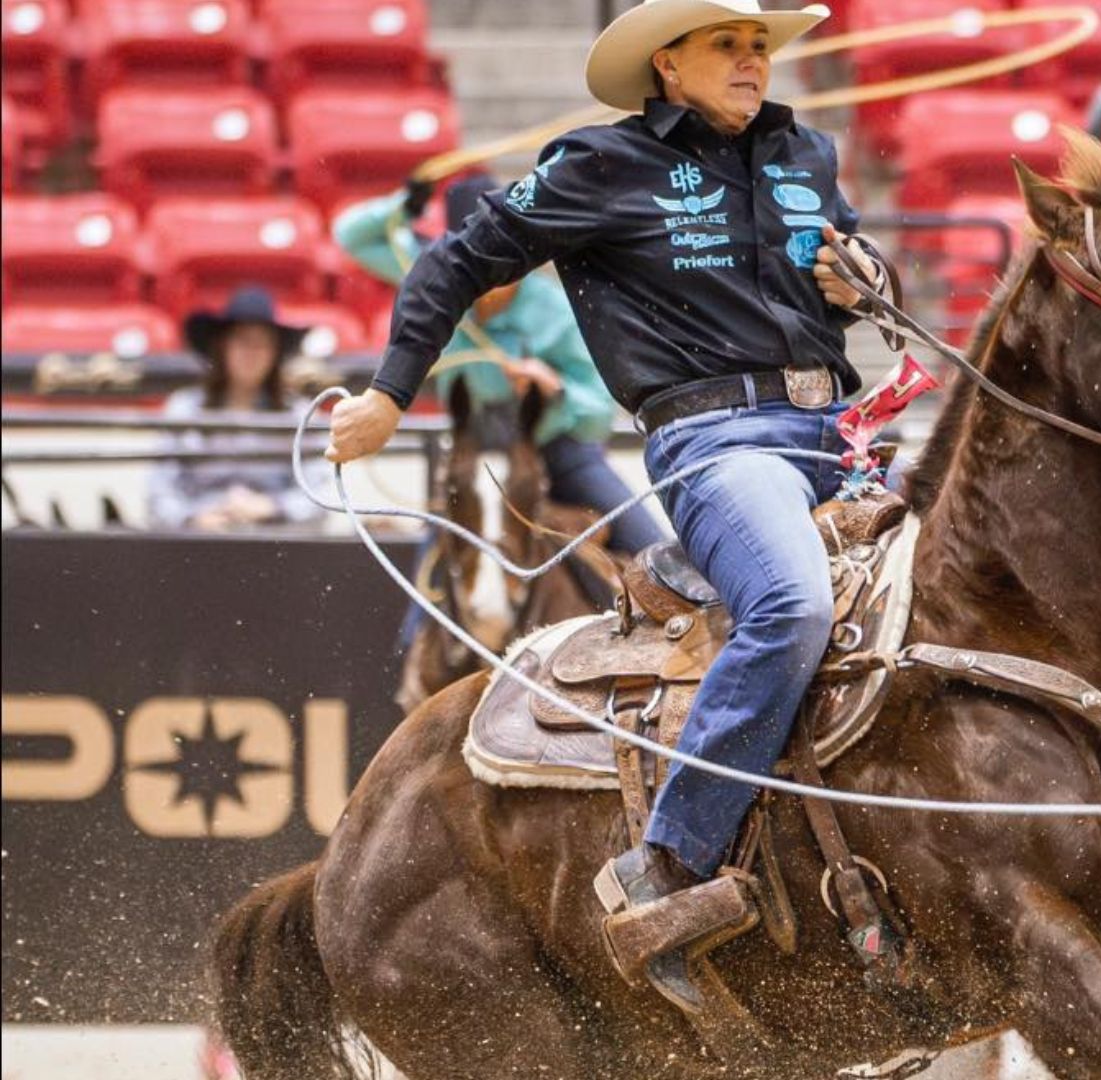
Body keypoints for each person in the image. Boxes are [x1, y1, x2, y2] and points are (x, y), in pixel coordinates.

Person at [322, 0, 885, 991]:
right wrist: (387, 393)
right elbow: (455, 260)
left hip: (843, 431)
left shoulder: (808, 153)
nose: (754, 59)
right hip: (717, 442)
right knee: (792, 607)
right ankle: (665, 865)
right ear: (667, 65)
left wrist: (861, 275)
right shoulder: (599, 165)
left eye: (761, 43)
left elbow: (850, 259)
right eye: (729, 43)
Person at [332, 172, 667, 555]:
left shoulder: (555, 310)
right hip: (470, 457)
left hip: (554, 453)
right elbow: (350, 236)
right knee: (431, 589)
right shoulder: (439, 278)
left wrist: (554, 391)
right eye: (470, 264)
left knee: (651, 551)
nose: (485, 281)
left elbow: (599, 415)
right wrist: (403, 206)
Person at [148, 287, 327, 532]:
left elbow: (321, 494)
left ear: (275, 353)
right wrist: (193, 518)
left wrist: (273, 507)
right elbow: (159, 491)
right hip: (196, 544)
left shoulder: (299, 413)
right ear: (223, 347)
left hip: (277, 543)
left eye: (262, 343)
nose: (251, 353)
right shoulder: (184, 408)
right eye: (242, 340)